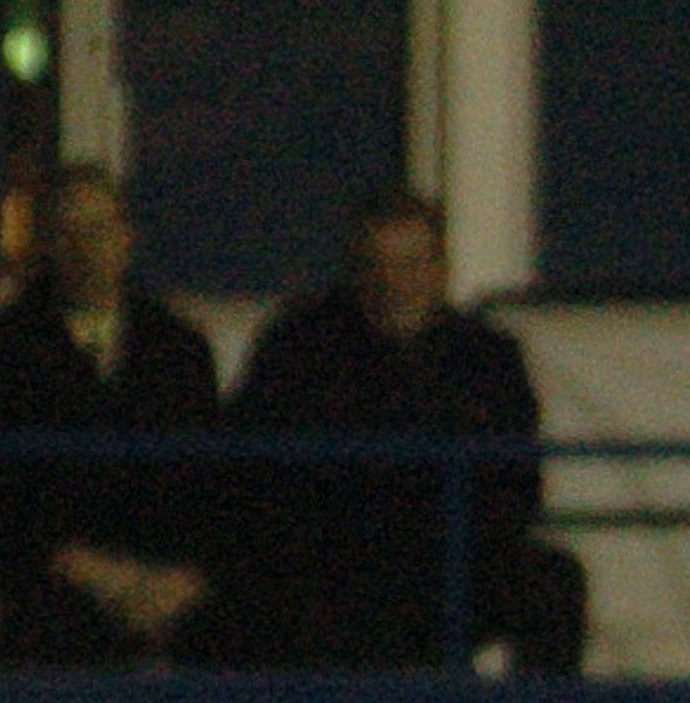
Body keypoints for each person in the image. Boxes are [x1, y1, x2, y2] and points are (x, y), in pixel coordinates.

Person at [222, 190, 586, 673]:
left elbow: (518, 479)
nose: (393, 284)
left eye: (410, 265)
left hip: (450, 558)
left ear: (441, 269)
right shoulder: (299, 346)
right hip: (333, 561)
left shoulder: (487, 355)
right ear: (354, 270)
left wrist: (457, 538)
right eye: (377, 266)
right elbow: (253, 469)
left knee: (553, 581)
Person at [0, 164, 223, 666]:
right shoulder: (5, 348)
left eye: (98, 230)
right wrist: (86, 568)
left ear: (126, 236)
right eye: (67, 233)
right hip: (51, 576)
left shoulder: (178, 347)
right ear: (47, 244)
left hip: (167, 576)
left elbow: (211, 479)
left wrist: (184, 576)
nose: (85, 248)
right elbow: (3, 489)